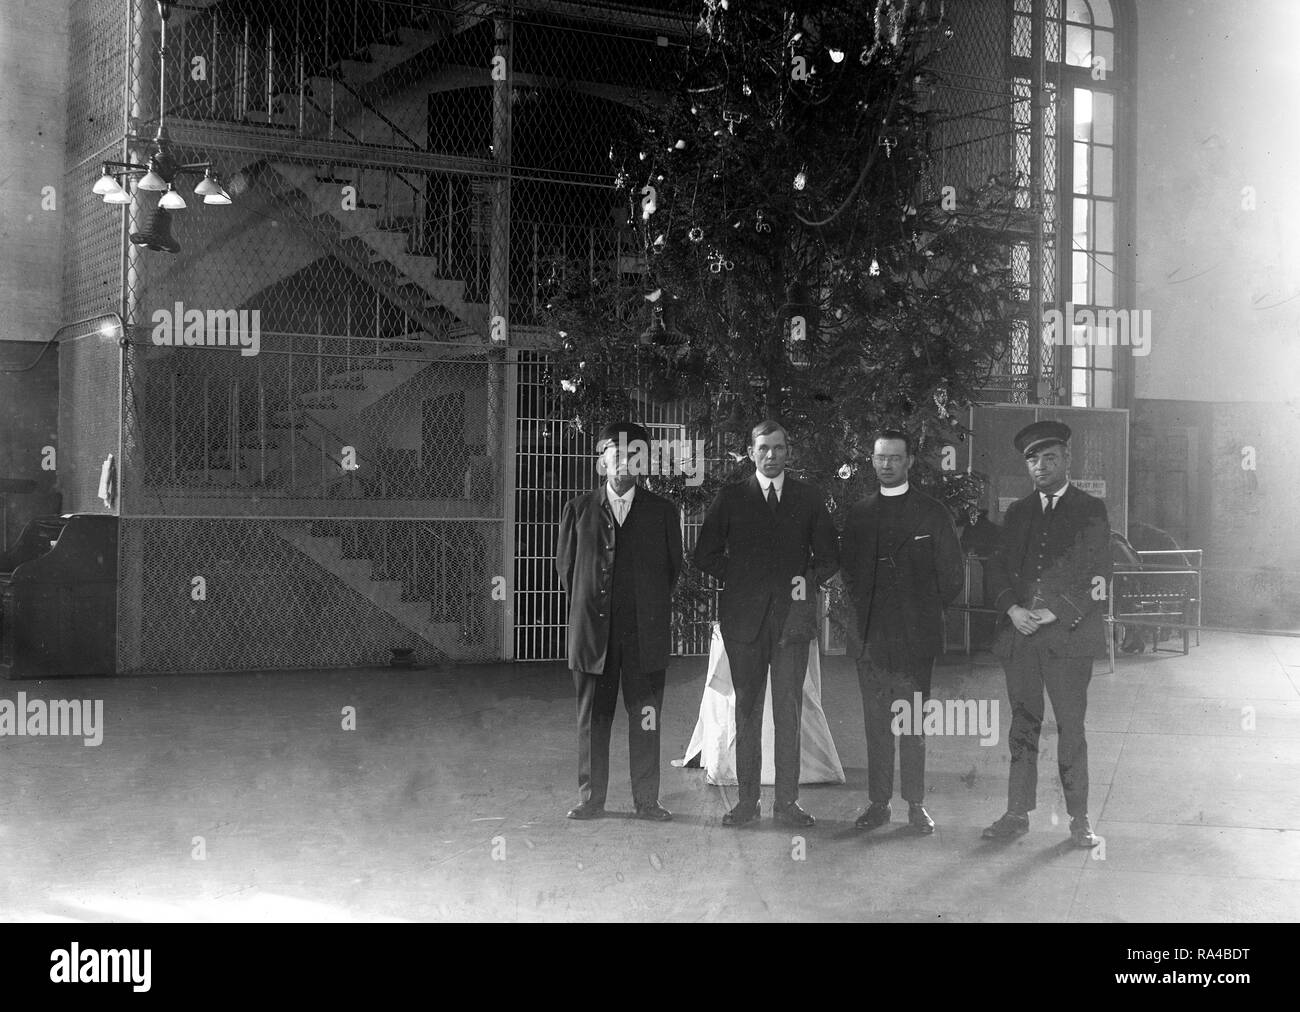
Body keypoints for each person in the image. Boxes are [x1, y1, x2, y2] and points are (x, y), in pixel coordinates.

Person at [693, 419, 839, 827]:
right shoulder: (732, 498)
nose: (771, 455)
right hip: (744, 623)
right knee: (748, 713)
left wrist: (800, 585)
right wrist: (742, 579)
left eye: (778, 448)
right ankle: (746, 803)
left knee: (789, 712)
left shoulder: (809, 498)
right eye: (763, 448)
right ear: (751, 451)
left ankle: (787, 804)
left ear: (788, 451)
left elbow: (828, 558)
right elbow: (703, 554)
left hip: (792, 622)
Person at [982, 420, 1111, 847]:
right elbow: (998, 567)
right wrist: (1013, 608)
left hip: (1069, 638)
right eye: (1033, 459)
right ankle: (1016, 813)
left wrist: (1056, 611)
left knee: (1071, 729)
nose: (1040, 466)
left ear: (1067, 459)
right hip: (1021, 636)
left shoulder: (1090, 509)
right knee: (1023, 725)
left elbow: (1099, 577)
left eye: (1049, 457)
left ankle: (1079, 820)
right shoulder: (1017, 512)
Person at [556, 421, 683, 821]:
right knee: (594, 719)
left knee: (645, 718)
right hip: (594, 638)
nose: (625, 460)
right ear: (601, 461)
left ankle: (647, 800)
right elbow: (567, 571)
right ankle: (591, 798)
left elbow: (671, 571)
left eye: (634, 454)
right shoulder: (578, 510)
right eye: (616, 452)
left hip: (643, 637)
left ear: (645, 464)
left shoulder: (662, 512)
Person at [840, 429, 964, 834]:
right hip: (871, 639)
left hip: (914, 640)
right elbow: (851, 575)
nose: (887, 464)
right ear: (871, 461)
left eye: (895, 457)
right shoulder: (859, 513)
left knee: (912, 725)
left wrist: (920, 614)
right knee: (876, 725)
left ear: (910, 461)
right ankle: (878, 804)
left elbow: (951, 576)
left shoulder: (932, 513)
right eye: (880, 458)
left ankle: (915, 804)